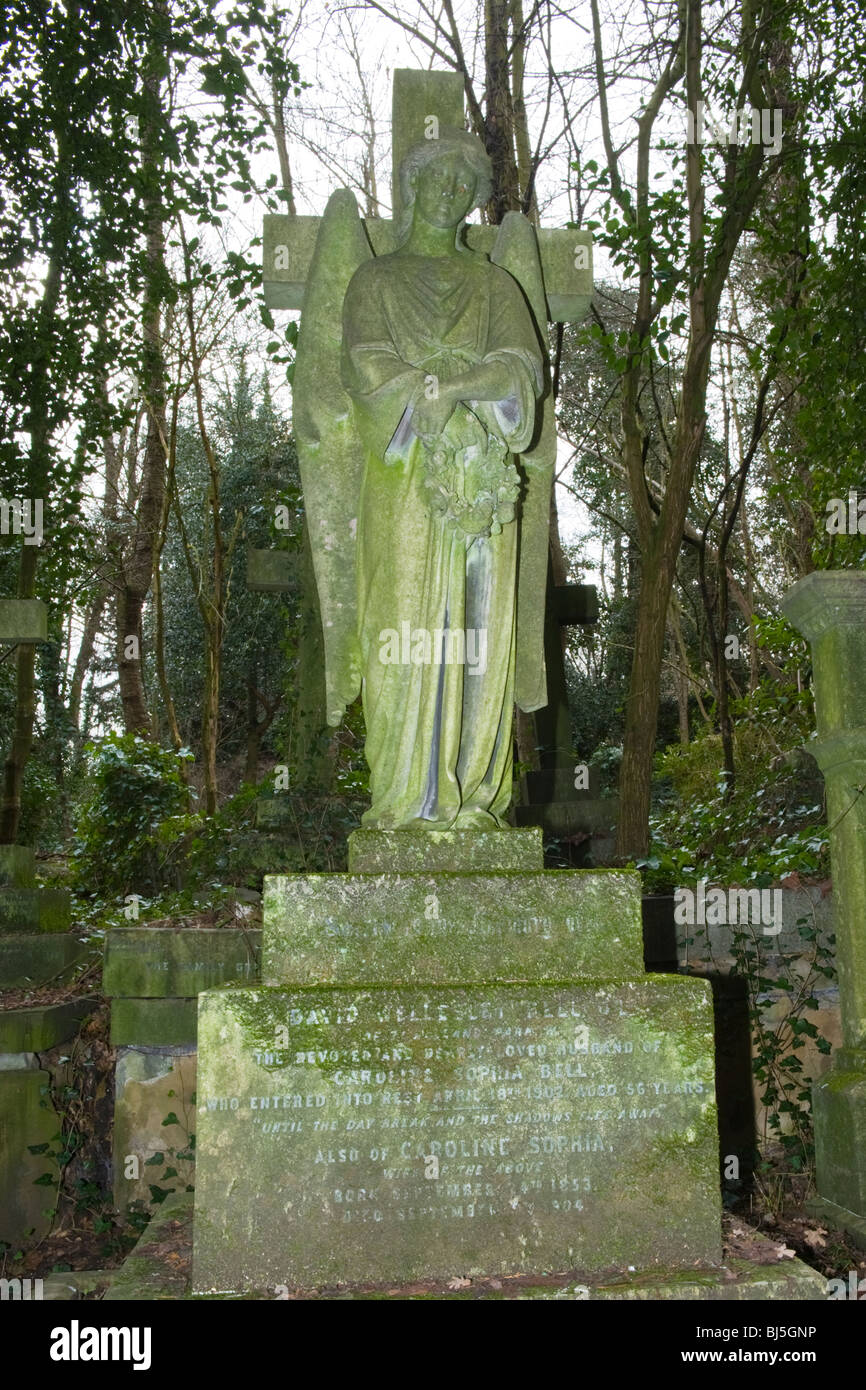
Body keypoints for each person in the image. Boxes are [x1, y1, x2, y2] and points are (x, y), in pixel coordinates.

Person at [340, 130, 544, 829]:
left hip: (483, 479)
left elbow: (522, 372)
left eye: (466, 184)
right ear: (414, 186)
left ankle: (471, 798)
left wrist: (454, 390)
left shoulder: (494, 285)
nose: (452, 192)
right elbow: (364, 364)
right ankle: (404, 799)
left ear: (475, 201)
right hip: (403, 480)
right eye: (440, 179)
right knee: (402, 624)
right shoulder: (377, 280)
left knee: (478, 625)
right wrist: (430, 408)